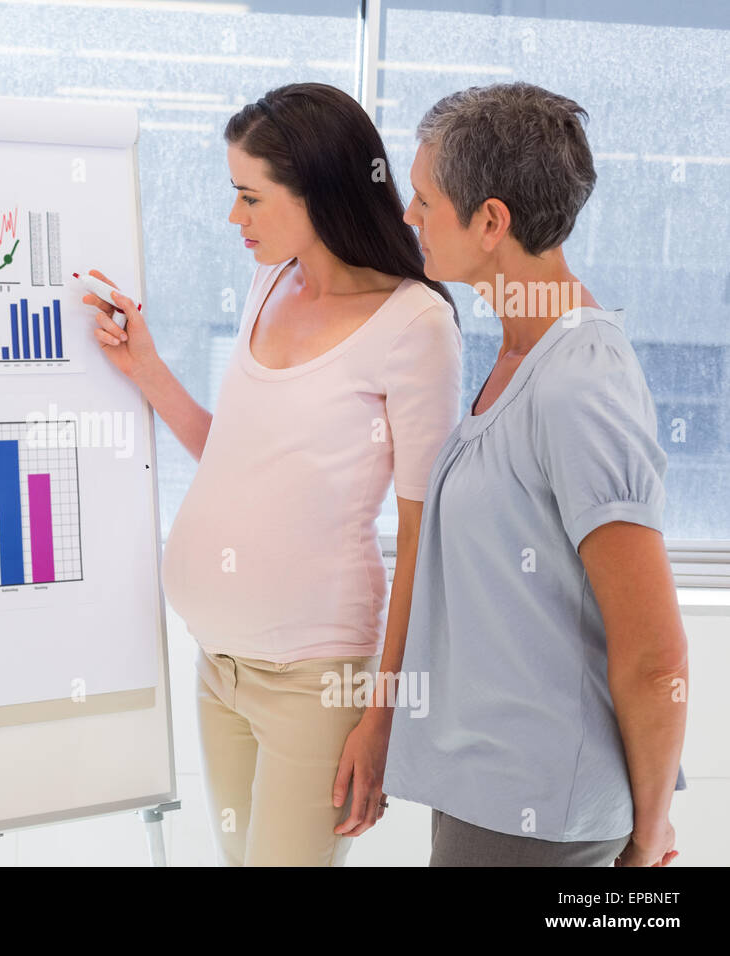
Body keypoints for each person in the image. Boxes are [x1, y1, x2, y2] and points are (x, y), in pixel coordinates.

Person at [86, 83, 462, 865]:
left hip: (313, 682)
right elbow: (241, 455)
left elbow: (425, 536)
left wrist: (380, 716)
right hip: (216, 663)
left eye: (249, 197)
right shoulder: (268, 283)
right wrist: (149, 373)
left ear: (319, 191)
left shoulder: (416, 325)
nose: (235, 218)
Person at [382, 81, 688, 867]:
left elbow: (656, 660)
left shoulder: (581, 381)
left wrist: (649, 837)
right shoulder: (518, 355)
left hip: (542, 818)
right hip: (485, 796)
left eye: (424, 199)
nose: (408, 216)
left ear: (491, 221)